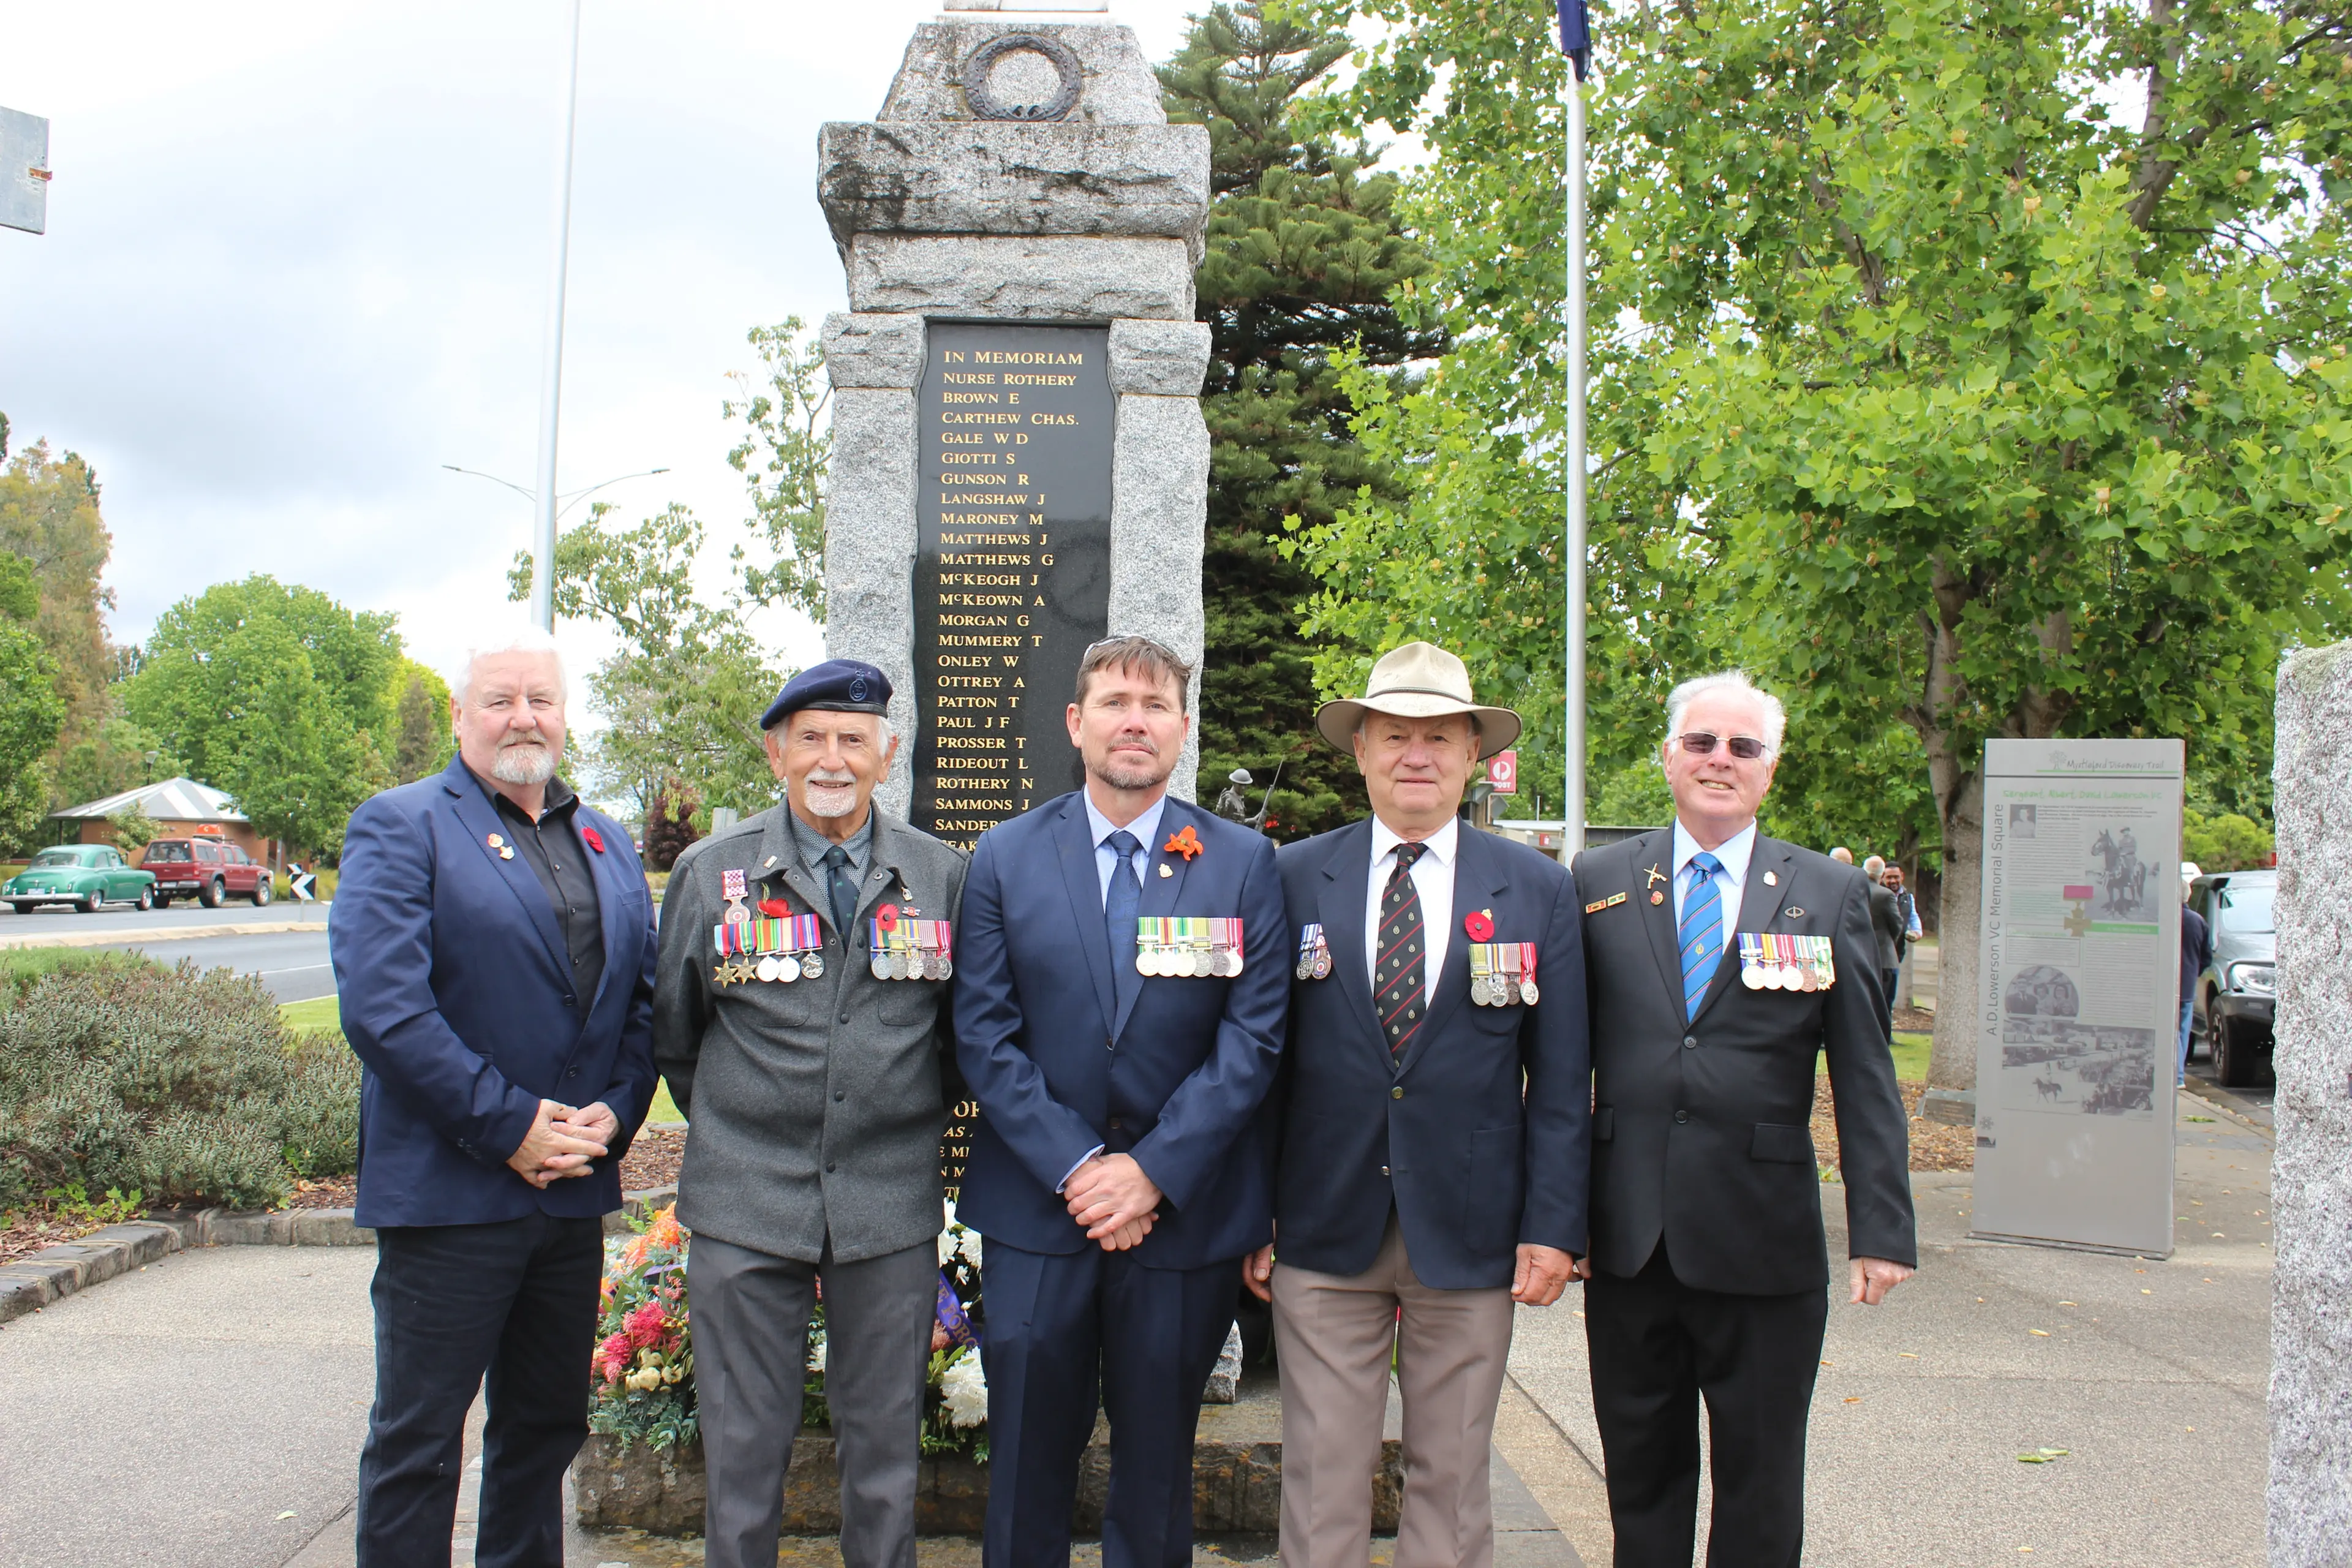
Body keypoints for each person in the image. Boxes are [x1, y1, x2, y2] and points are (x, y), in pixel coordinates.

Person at [1246, 641, 1589, 1568]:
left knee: (1454, 1480)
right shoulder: (1289, 878)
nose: (1417, 756)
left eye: (1440, 737)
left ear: (1473, 755)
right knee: (1321, 1476)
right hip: (1320, 1224)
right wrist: (1255, 1214)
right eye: (1395, 734)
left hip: (1474, 1231)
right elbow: (1259, 1064)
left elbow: (1559, 1083)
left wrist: (1554, 1228)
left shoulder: (1537, 889)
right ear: (1359, 748)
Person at [953, 635, 1289, 1568]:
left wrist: (1151, 1173)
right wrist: (1082, 1167)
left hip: (1181, 1222)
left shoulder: (1241, 865)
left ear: (1182, 729)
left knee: (1156, 1474)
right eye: (1113, 702)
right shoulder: (1006, 856)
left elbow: (1252, 1039)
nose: (1133, 720)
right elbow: (984, 1034)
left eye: (1155, 704)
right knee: (1023, 1463)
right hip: (1037, 1211)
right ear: (1077, 722)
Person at [332, 625, 660, 1568]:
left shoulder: (605, 838)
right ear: (460, 714)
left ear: (564, 714)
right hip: (452, 1196)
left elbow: (637, 1006)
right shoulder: (401, 825)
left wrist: (618, 1113)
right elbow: (386, 1012)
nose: (523, 717)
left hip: (569, 1198)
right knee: (420, 1444)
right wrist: (511, 1126)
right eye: (501, 699)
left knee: (544, 1431)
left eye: (541, 699)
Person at [1572, 669, 1916, 1565]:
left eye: (1742, 747)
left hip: (1762, 1243)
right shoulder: (1600, 880)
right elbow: (1565, 1067)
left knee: (1761, 1487)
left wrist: (1882, 1228)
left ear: (1771, 767)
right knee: (1641, 1481)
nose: (1719, 760)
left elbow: (1867, 1073)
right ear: (1668, 756)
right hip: (1629, 1239)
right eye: (1701, 743)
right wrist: (1555, 1220)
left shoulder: (1831, 895)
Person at [651, 659, 969, 1568]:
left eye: (853, 740)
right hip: (746, 1205)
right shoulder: (714, 874)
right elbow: (676, 1038)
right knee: (744, 1460)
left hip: (886, 1206)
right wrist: (750, 1120)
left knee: (884, 1459)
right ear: (776, 752)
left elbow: (957, 1043)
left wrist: (887, 1111)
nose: (833, 759)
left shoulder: (939, 877)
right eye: (813, 739)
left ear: (887, 753)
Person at [1863, 854, 1904, 1035]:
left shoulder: (1855, 891)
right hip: (1885, 957)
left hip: (1860, 955)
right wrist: (1890, 942)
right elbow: (1897, 925)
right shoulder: (1886, 895)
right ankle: (1883, 1038)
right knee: (1885, 1003)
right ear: (1882, 874)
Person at [2178, 875, 2212, 1087]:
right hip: (2188, 987)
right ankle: (2179, 1077)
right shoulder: (2198, 921)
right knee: (2183, 1031)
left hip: (2166, 988)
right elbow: (2207, 957)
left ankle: (2172, 1074)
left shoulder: (2163, 919)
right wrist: (2194, 971)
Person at [1884, 863, 1922, 1009]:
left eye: (1896, 877)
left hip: (1897, 952)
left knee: (1890, 997)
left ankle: (1885, 1031)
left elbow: (1913, 916)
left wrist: (1917, 931)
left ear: (1902, 877)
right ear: (1882, 877)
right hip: (1880, 955)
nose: (1893, 881)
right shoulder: (1876, 895)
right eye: (1889, 877)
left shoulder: (1907, 897)